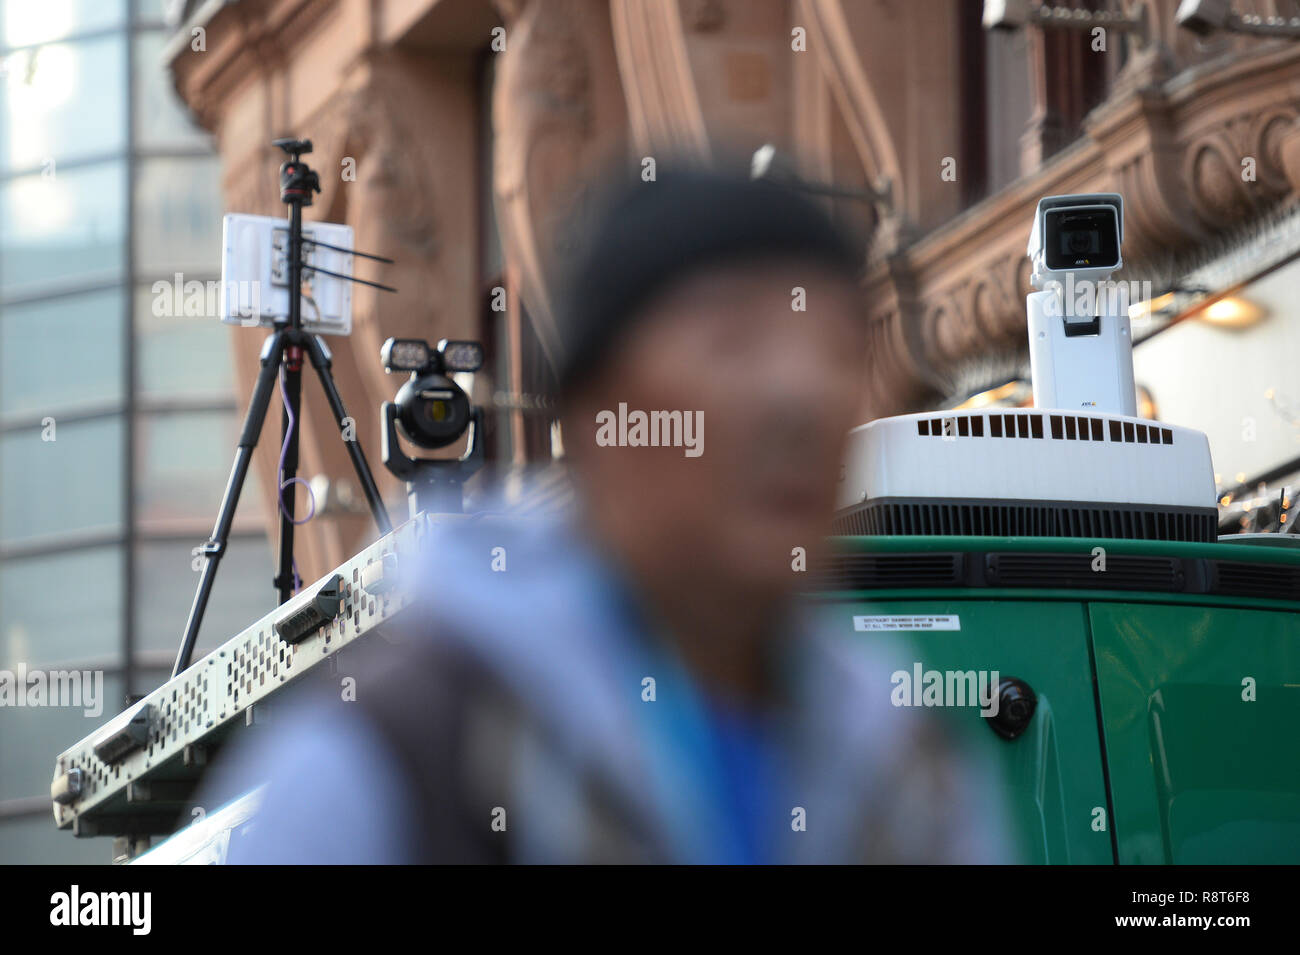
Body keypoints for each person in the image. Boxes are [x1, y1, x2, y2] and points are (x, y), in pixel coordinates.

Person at [198, 164, 1016, 864]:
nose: (799, 396)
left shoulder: (906, 766)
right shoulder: (389, 767)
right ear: (597, 415)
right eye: (734, 342)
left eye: (838, 350)